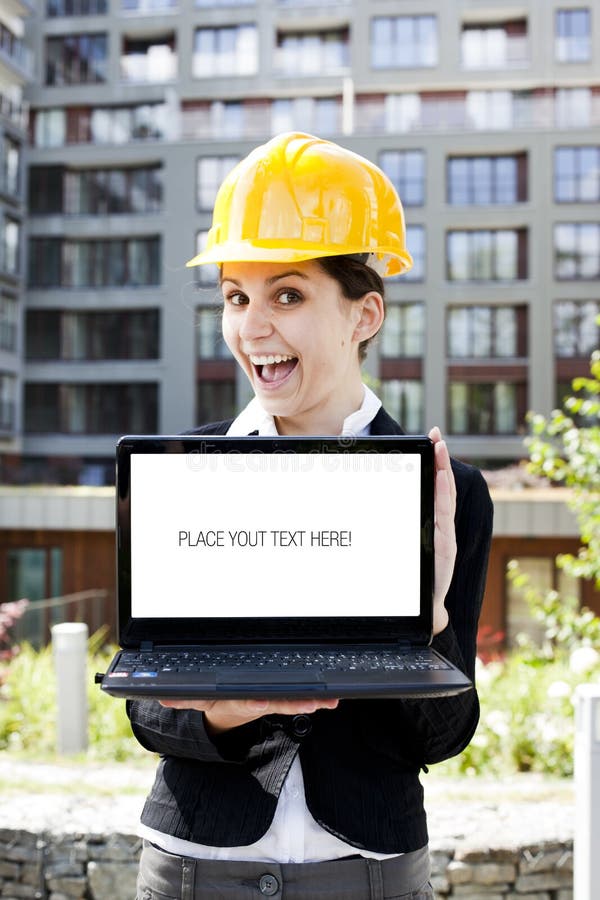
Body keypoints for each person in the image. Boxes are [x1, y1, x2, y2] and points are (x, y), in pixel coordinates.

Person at [128, 132, 493, 900]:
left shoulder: (444, 491)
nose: (252, 327)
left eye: (287, 295)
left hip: (370, 872)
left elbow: (444, 735)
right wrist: (225, 716)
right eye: (236, 297)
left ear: (364, 315)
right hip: (195, 866)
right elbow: (148, 712)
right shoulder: (181, 479)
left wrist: (423, 631)